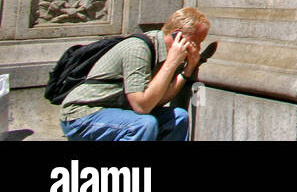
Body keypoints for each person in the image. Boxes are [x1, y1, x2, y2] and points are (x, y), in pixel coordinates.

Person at [60, 7, 210, 140]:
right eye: (196, 42)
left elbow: (157, 100)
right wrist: (171, 62)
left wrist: (187, 70)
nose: (198, 47)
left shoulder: (163, 53)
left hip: (118, 113)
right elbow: (142, 107)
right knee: (144, 125)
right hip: (81, 115)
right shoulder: (138, 49)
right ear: (177, 36)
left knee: (179, 117)